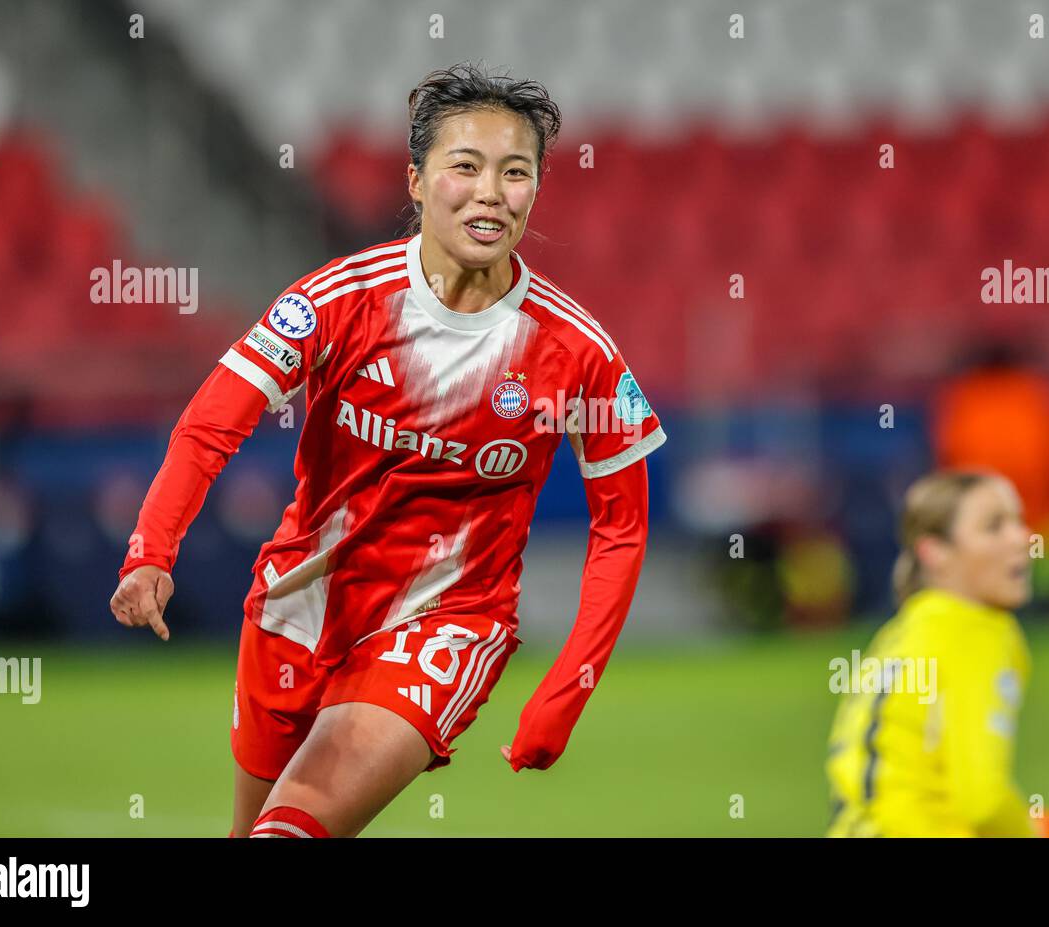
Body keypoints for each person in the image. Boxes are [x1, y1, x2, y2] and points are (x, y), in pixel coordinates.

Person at [108, 63, 665, 838]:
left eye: (515, 172)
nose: (489, 193)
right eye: (464, 167)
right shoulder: (335, 302)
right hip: (300, 605)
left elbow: (622, 527)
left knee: (291, 829)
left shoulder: (581, 350)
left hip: (448, 621)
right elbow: (210, 423)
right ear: (416, 179)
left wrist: (567, 686)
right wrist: (152, 548)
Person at [825, 470, 1049, 837]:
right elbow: (982, 802)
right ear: (935, 552)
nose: (1022, 538)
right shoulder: (976, 630)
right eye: (994, 527)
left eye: (1018, 522)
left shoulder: (903, 630)